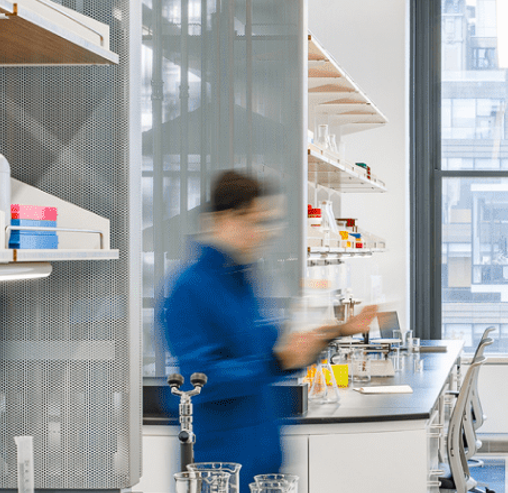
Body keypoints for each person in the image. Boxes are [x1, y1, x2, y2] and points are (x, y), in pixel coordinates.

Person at [161, 170, 377, 483]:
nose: (265, 233)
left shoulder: (244, 280)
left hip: (263, 462)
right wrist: (277, 360)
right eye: (258, 222)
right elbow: (201, 380)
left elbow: (274, 351)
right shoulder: (187, 290)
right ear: (227, 218)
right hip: (219, 470)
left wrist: (335, 331)